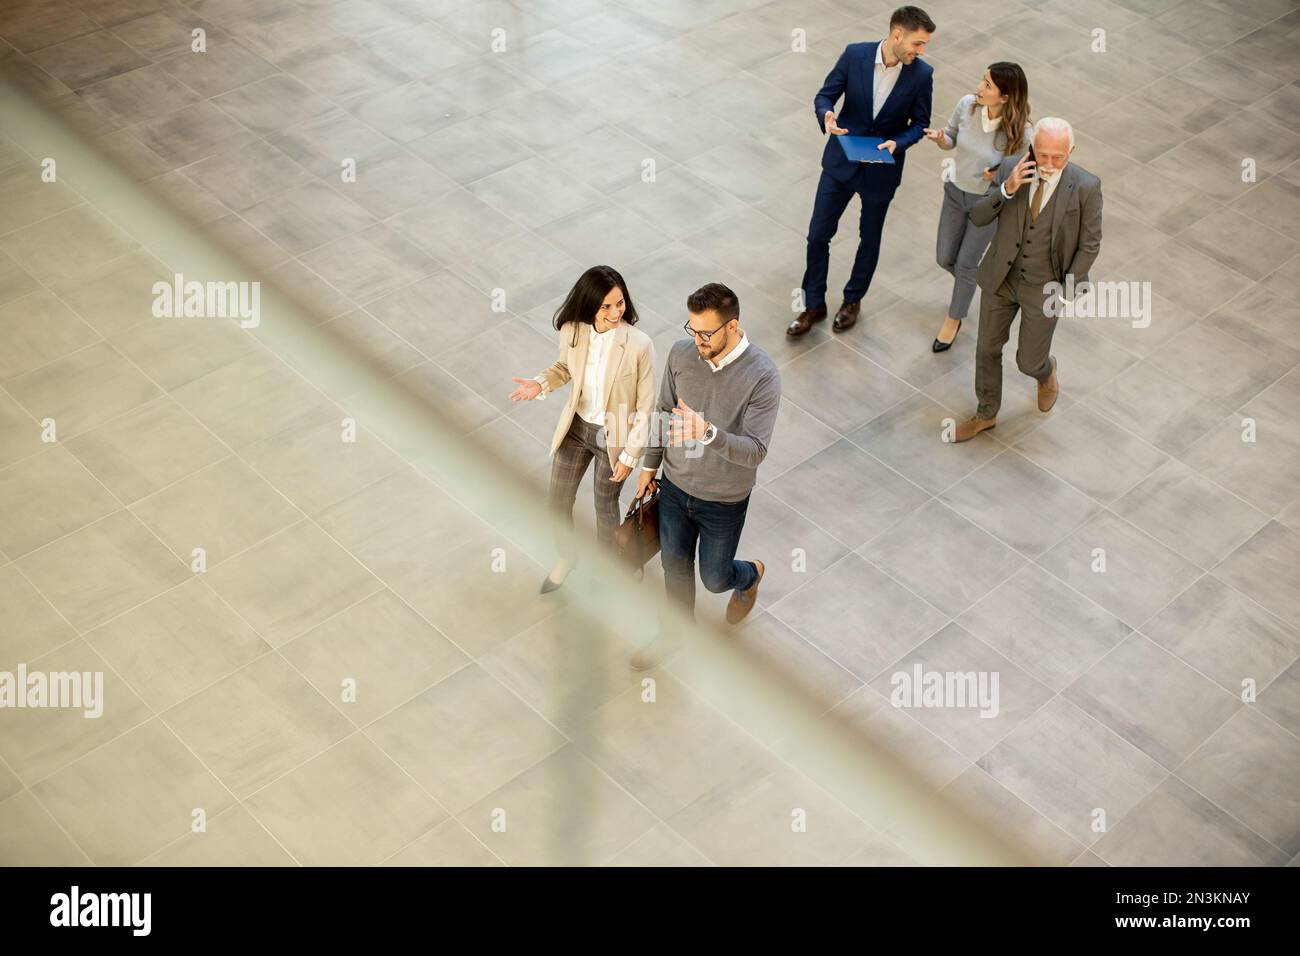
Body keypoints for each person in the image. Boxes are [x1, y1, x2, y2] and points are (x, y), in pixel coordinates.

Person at [632, 283, 781, 669]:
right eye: (692, 329)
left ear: (733, 327)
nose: (697, 340)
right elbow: (663, 411)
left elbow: (756, 451)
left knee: (714, 578)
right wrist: (649, 466)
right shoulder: (682, 353)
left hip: (724, 499)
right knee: (674, 567)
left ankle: (749, 576)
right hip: (676, 487)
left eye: (706, 332)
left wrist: (707, 432)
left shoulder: (763, 376)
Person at [952, 117, 1103, 442]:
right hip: (1001, 278)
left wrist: (1066, 291)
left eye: (1057, 157)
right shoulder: (1009, 168)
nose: (1048, 164)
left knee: (1027, 360)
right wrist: (1007, 189)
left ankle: (1045, 372)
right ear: (1032, 147)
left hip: (1046, 288)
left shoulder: (1087, 187)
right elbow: (979, 216)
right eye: (1042, 154)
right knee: (987, 349)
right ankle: (986, 413)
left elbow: (1090, 243)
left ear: (1071, 151)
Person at [788, 5, 935, 338]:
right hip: (841, 162)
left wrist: (899, 143)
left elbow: (921, 123)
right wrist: (826, 115)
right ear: (898, 35)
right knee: (817, 235)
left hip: (881, 172)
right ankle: (814, 304)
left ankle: (852, 300)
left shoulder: (922, 75)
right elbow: (826, 95)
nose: (921, 51)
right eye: (918, 43)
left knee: (869, 238)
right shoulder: (855, 55)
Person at [508, 265, 656, 591]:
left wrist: (630, 456)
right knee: (557, 501)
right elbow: (565, 367)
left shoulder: (639, 344)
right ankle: (567, 556)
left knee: (605, 507)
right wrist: (540, 383)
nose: (616, 311)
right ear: (590, 305)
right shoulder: (573, 331)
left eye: (620, 303)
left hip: (611, 436)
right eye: (606, 306)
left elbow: (646, 407)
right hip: (577, 427)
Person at [921, 62, 1031, 352]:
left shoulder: (1020, 132)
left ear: (1005, 97)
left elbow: (1021, 172)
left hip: (988, 204)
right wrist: (941, 139)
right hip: (956, 192)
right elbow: (952, 138)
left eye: (988, 86)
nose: (979, 88)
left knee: (967, 265)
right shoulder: (968, 106)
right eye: (982, 81)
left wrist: (999, 174)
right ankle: (979, 285)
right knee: (945, 258)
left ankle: (953, 319)